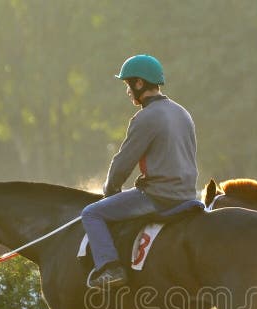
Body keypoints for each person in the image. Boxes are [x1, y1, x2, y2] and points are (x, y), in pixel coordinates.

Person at [81, 54, 198, 288]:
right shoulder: (182, 112)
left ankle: (109, 268)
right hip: (188, 195)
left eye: (127, 84)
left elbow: (123, 164)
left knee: (91, 214)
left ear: (139, 84)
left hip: (160, 197)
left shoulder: (146, 117)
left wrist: (111, 190)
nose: (127, 92)